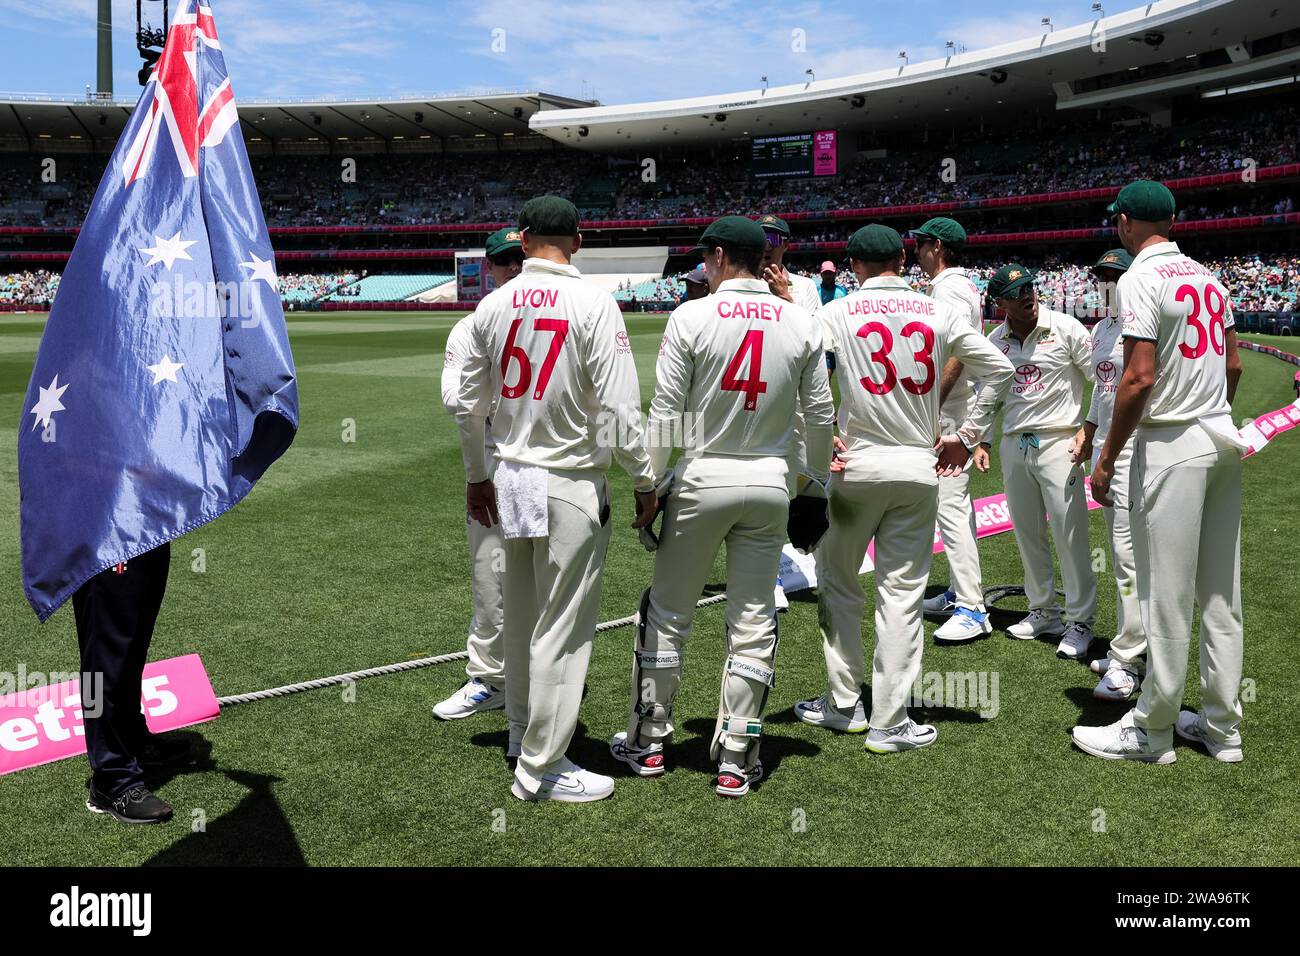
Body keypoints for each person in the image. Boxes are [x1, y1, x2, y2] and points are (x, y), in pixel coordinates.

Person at [610, 216, 834, 797]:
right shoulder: (801, 321)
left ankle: (649, 743)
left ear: (716, 257)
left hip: (703, 476)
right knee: (755, 618)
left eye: (704, 260)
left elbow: (666, 413)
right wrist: (812, 489)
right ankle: (738, 755)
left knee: (667, 614)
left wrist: (653, 484)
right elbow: (820, 416)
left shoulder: (691, 315)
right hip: (768, 485)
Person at [455, 196, 658, 802]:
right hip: (569, 477)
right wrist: (645, 479)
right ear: (578, 238)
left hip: (511, 471)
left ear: (522, 239)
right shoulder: (593, 302)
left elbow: (466, 402)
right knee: (563, 627)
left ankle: (523, 735)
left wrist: (476, 473)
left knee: (521, 616)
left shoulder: (492, 304)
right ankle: (542, 767)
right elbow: (621, 410)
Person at [795, 225, 1014, 750]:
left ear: (853, 265)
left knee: (839, 582)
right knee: (901, 594)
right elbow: (1000, 369)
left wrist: (819, 438)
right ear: (902, 258)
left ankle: (843, 703)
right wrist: (966, 435)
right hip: (918, 468)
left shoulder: (837, 312)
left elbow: (793, 370)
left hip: (855, 468)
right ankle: (890, 721)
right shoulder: (937, 311)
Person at [1073, 180, 1246, 763]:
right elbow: (1234, 365)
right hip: (1221, 435)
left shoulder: (1138, 278)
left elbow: (1138, 377)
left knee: (1165, 592)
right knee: (1221, 594)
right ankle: (1222, 728)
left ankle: (1152, 728)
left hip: (1171, 440)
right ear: (1171, 219)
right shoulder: (1210, 276)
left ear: (1123, 222)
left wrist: (1107, 455)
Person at [959, 264, 1098, 661]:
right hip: (1014, 443)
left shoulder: (1066, 328)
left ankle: (1080, 622)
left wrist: (1088, 431)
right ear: (999, 302)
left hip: (1061, 441)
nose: (1028, 295)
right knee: (1027, 533)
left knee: (1070, 536)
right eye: (1017, 291)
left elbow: (1103, 381)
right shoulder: (994, 340)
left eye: (1030, 287)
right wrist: (982, 441)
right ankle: (1043, 611)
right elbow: (988, 394)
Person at [433, 227, 522, 720]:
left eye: (518, 258)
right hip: (495, 462)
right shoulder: (472, 326)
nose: (512, 268)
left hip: (543, 465)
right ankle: (490, 678)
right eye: (503, 261)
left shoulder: (554, 319)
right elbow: (454, 399)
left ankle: (535, 678)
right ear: (490, 268)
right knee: (492, 577)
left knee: (542, 580)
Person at [911, 217, 993, 642]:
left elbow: (957, 352)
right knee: (956, 509)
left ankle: (972, 609)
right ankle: (962, 591)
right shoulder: (953, 285)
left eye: (922, 244)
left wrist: (930, 401)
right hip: (955, 407)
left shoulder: (949, 287)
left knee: (951, 509)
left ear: (937, 246)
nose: (917, 251)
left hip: (949, 411)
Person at [1070, 248, 1146, 701]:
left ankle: (1130, 661)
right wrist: (1088, 430)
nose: (1106, 283)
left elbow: (1139, 386)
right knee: (1123, 555)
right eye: (1101, 276)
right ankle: (1130, 644)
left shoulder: (1144, 322)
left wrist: (1109, 451)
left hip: (1133, 446)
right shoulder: (1102, 327)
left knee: (1129, 556)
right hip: (1107, 445)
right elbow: (1104, 389)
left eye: (1115, 276)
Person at [78, 544, 191, 824]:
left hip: (144, 523)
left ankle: (131, 740)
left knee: (133, 640)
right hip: (104, 528)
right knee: (103, 657)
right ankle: (111, 778)